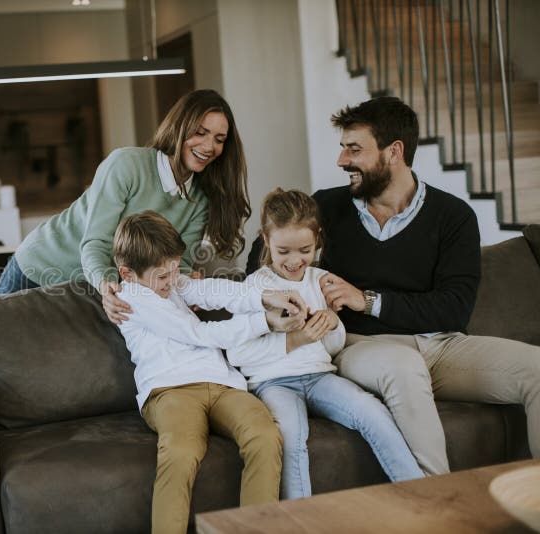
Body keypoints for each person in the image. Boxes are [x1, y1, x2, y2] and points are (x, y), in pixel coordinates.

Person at [313, 96, 540, 475]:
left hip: (442, 346)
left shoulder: (453, 217)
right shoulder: (326, 208)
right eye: (343, 148)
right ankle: (438, 506)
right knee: (403, 365)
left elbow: (453, 308)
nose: (342, 161)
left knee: (537, 367)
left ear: (394, 152)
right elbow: (268, 252)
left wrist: (366, 300)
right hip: (361, 346)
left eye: (354, 149)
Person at [112, 210, 305, 534]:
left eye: (175, 269)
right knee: (181, 452)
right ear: (128, 274)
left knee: (266, 437)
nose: (172, 280)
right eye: (163, 276)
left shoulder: (169, 283)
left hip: (223, 385)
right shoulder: (132, 297)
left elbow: (215, 291)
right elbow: (198, 333)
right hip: (170, 391)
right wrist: (265, 321)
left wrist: (264, 296)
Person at [0, 89, 251, 325]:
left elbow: (179, 262)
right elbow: (96, 242)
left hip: (94, 285)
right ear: (180, 128)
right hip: (42, 265)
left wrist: (184, 286)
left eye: (219, 139)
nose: (209, 147)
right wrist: (107, 285)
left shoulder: (200, 199)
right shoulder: (126, 165)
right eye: (200, 132)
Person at [227, 188, 424, 499]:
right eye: (284, 251)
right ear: (266, 240)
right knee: (291, 437)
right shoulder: (255, 289)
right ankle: (303, 520)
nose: (295, 261)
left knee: (372, 411)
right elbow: (239, 353)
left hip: (320, 377)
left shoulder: (321, 280)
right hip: (274, 384)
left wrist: (333, 323)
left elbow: (330, 348)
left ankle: (423, 496)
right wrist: (295, 339)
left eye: (305, 249)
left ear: (317, 239)